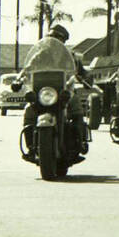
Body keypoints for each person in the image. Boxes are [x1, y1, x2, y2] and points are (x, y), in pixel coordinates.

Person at [18, 23, 86, 155]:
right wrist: (18, 79)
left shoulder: (70, 56)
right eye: (51, 36)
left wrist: (84, 77)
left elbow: (81, 72)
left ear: (63, 40)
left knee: (76, 106)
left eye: (57, 37)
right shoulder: (40, 54)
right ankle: (31, 146)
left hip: (64, 92)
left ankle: (80, 142)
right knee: (29, 111)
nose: (53, 40)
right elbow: (27, 69)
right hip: (43, 93)